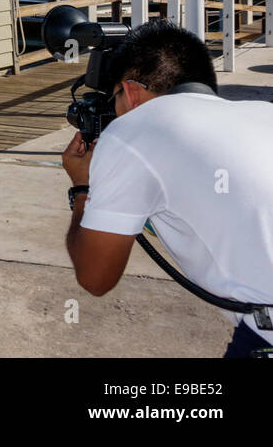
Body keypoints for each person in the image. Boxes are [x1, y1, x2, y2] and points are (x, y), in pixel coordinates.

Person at [61, 18, 273, 357]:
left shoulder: (133, 131)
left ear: (130, 91)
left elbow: (95, 277)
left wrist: (83, 188)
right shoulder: (264, 114)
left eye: (113, 98)